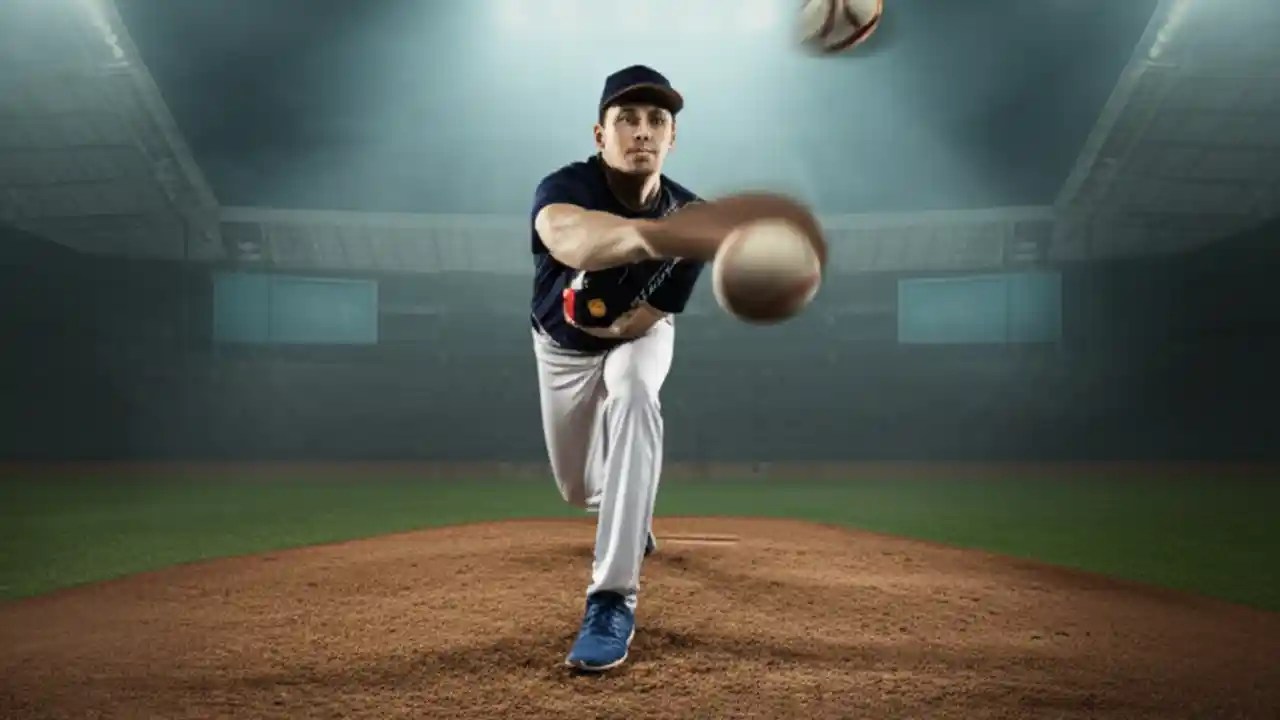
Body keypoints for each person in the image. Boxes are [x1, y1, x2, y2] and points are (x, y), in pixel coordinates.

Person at [529, 65, 825, 672]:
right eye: (628, 119)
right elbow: (572, 239)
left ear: (672, 138)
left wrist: (622, 319)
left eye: (657, 120)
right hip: (559, 350)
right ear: (599, 133)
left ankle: (612, 598)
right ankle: (625, 509)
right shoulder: (566, 187)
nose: (643, 131)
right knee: (579, 488)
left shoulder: (693, 212)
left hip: (638, 335)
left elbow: (643, 320)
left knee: (636, 392)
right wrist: (662, 237)